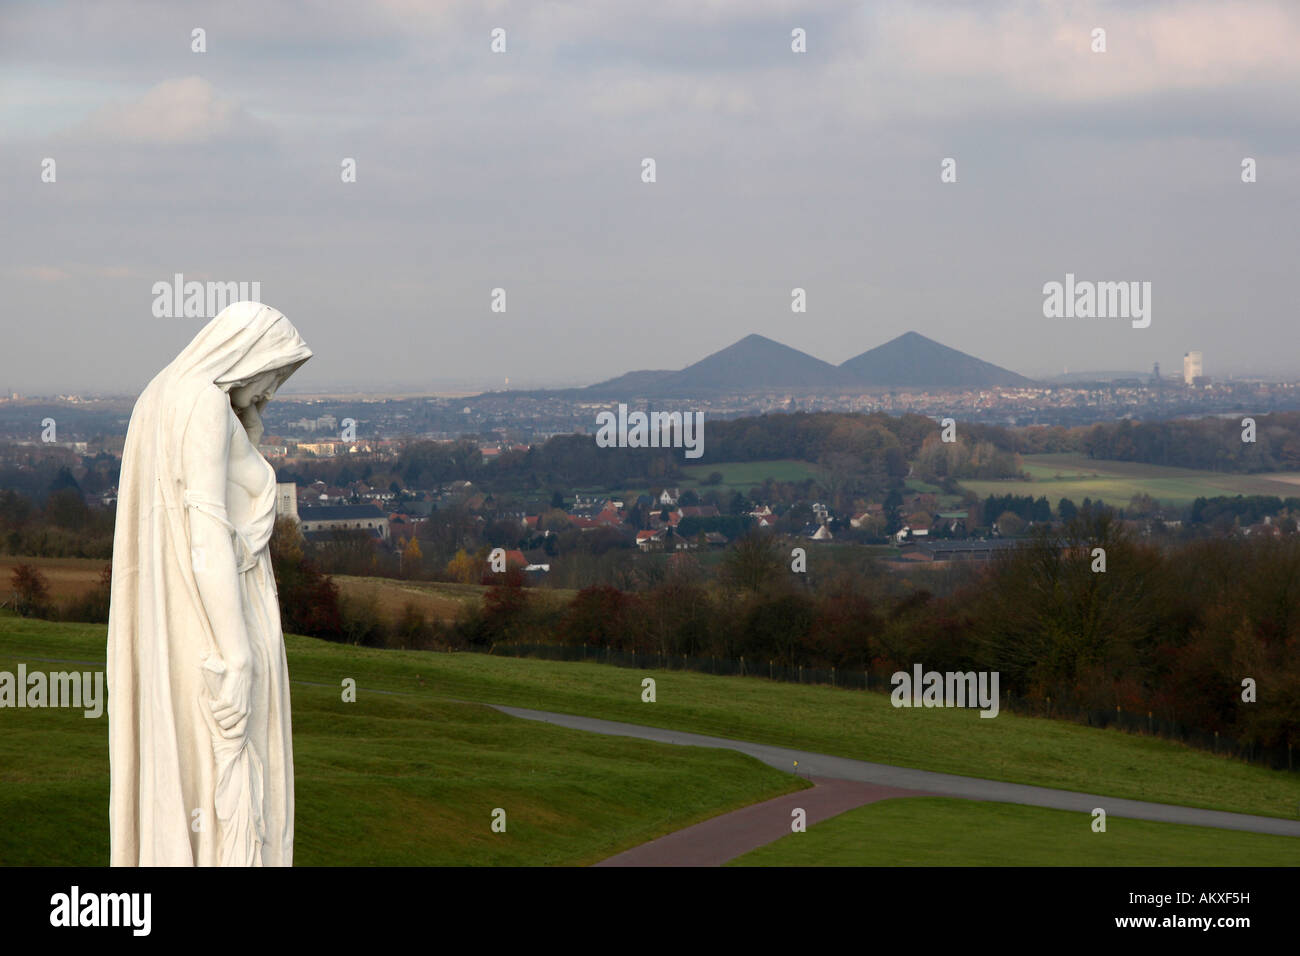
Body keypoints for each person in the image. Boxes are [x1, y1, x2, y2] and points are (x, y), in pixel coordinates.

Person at [107, 301, 311, 866]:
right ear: (247, 354)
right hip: (218, 625)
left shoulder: (162, 395)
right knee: (227, 779)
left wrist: (247, 423)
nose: (273, 387)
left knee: (190, 767)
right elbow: (205, 533)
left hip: (177, 625)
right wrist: (238, 653)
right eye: (275, 372)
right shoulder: (203, 404)